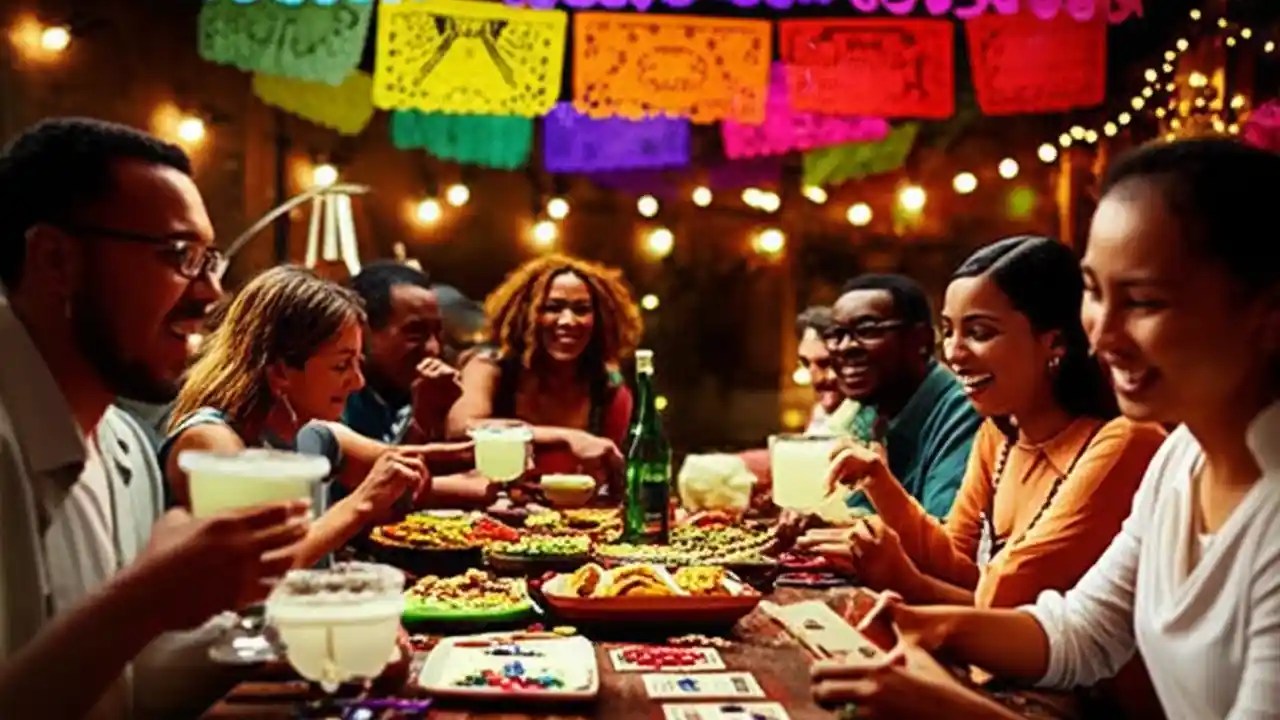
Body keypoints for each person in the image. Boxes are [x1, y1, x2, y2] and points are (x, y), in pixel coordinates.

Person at [810, 139, 1280, 720]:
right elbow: (1081, 630)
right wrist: (917, 623)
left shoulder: (1147, 450)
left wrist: (951, 707)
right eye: (1095, 292)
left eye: (1144, 301)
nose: (1102, 334)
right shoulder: (1182, 459)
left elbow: (1001, 591)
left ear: (1267, 311)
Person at [0, 117, 309, 719]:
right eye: (181, 257)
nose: (210, 294)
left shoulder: (121, 444)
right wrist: (146, 597)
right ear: (55, 259)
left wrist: (293, 636)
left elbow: (129, 685)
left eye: (211, 260)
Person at [805, 237, 1165, 610]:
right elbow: (955, 563)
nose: (954, 354)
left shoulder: (1124, 442)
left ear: (1054, 342)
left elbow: (1006, 597)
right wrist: (880, 483)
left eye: (979, 333)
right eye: (949, 331)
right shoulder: (999, 434)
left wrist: (904, 579)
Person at [162, 266, 491, 568]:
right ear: (279, 371)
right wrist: (362, 503)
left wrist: (506, 471)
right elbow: (260, 569)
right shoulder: (211, 441)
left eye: (357, 363)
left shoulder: (310, 432)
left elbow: (409, 469)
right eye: (341, 365)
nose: (358, 382)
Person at [781, 275, 980, 537]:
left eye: (867, 331)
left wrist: (837, 527)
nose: (844, 348)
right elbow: (852, 507)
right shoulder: (868, 411)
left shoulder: (964, 410)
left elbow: (947, 540)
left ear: (920, 340)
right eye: (836, 334)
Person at [447, 254, 642, 488]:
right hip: (485, 514)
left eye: (581, 310)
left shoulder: (607, 389)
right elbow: (460, 428)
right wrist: (566, 437)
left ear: (600, 319)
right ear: (525, 313)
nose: (568, 321)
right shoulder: (491, 367)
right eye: (552, 308)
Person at [344, 261, 463, 445]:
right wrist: (424, 420)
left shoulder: (408, 393)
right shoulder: (332, 400)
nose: (434, 349)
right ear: (363, 330)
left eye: (437, 332)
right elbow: (384, 470)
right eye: (415, 332)